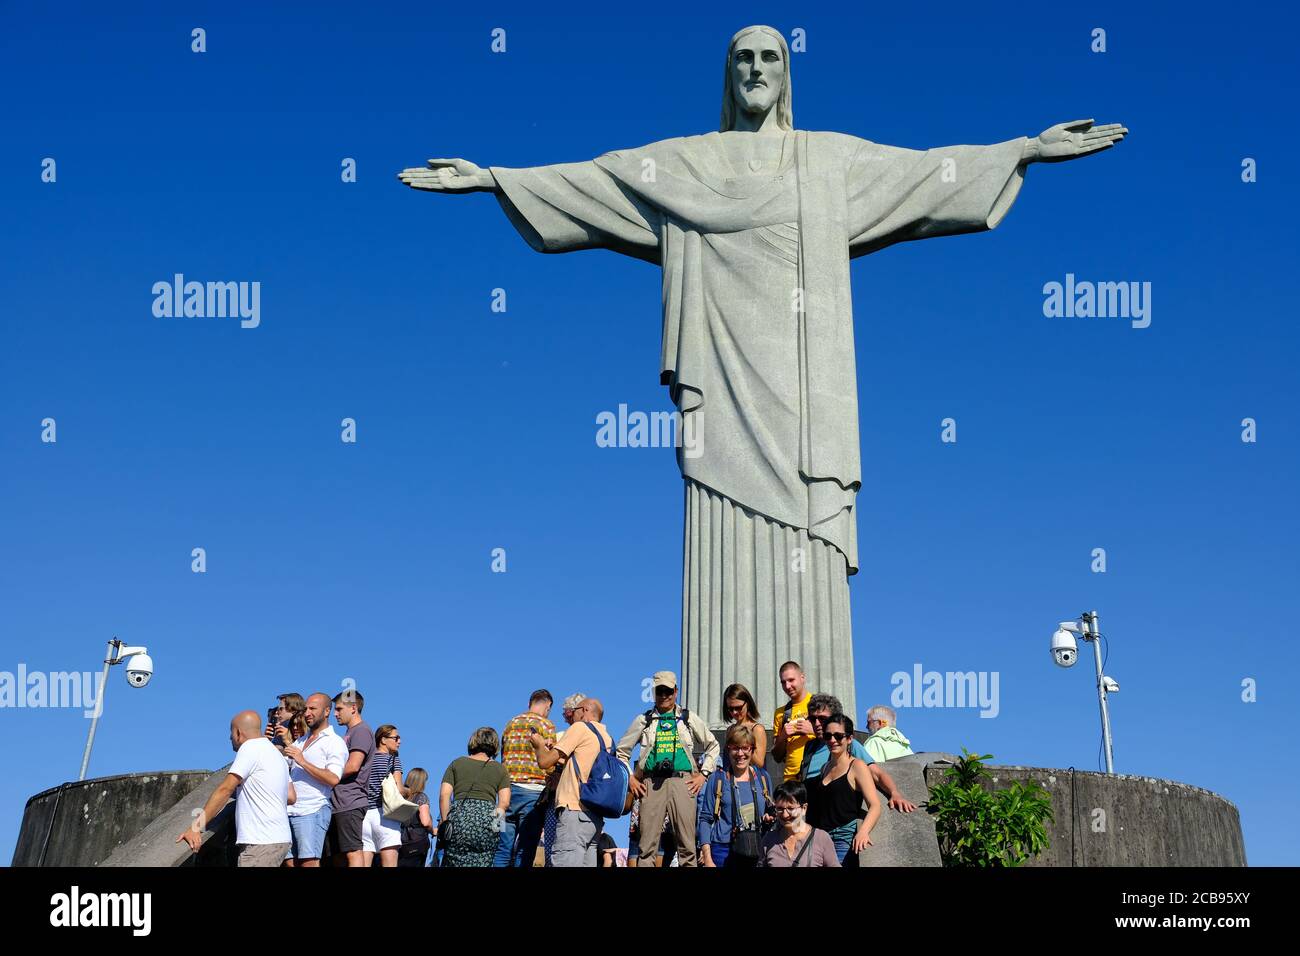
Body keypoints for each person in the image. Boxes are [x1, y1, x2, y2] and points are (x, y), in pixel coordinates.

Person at [616, 670, 719, 867]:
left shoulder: (688, 718)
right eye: (660, 691)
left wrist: (703, 774)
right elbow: (622, 751)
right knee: (646, 847)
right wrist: (630, 778)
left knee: (687, 846)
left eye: (668, 691)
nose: (664, 696)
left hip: (683, 782)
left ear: (676, 691)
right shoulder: (644, 720)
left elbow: (713, 745)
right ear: (654, 692)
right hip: (651, 783)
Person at [177, 710, 297, 866]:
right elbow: (291, 796)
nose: (230, 738)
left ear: (238, 733)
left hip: (261, 841)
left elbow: (225, 789)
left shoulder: (250, 748)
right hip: (280, 839)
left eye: (231, 733)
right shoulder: (275, 754)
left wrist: (195, 828)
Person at [532, 697, 615, 867]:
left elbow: (545, 762)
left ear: (584, 710)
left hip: (574, 812)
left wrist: (539, 744)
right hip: (594, 818)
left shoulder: (580, 728)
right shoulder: (607, 738)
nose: (571, 715)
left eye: (574, 710)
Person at [801, 694, 917, 812]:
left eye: (822, 719)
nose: (816, 724)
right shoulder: (810, 746)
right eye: (812, 719)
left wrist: (894, 793)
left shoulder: (849, 744)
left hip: (835, 816)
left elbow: (876, 773)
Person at [281, 691, 347, 867]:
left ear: (326, 712)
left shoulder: (334, 742)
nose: (307, 713)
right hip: (289, 811)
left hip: (312, 810)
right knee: (289, 863)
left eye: (312, 709)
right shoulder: (301, 741)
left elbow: (333, 778)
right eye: (305, 709)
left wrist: (302, 761)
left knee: (309, 863)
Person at [806, 713, 880, 865]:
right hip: (821, 840)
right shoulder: (824, 768)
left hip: (843, 840)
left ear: (849, 738)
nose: (832, 740)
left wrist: (863, 832)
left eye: (838, 736)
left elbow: (875, 805)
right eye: (828, 736)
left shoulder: (857, 766)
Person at [495, 688, 557, 867]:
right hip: (533, 794)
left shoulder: (510, 723)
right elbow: (550, 763)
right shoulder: (547, 725)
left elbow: (503, 756)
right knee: (526, 849)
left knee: (501, 848)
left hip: (506, 794)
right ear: (548, 705)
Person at [698, 724, 772, 868]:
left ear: (752, 749)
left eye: (745, 748)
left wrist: (769, 818)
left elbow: (770, 811)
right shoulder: (717, 779)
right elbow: (705, 819)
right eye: (735, 748)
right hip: (723, 849)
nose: (740, 754)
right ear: (728, 749)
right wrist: (707, 858)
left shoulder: (763, 777)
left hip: (756, 847)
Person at [439, 727, 511, 867]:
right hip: (488, 818)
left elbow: (444, 796)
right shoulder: (500, 769)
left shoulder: (457, 763)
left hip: (459, 819)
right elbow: (504, 803)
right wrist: (496, 830)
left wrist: (445, 822)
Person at [327, 689, 375, 867]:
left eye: (339, 709)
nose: (335, 713)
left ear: (353, 708)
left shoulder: (361, 731)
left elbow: (353, 765)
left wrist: (327, 775)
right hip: (339, 803)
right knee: (339, 855)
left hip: (350, 802)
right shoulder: (349, 733)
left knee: (353, 852)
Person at [539, 691, 587, 865]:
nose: (566, 717)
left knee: (558, 848)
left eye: (568, 712)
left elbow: (546, 763)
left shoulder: (567, 736)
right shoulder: (594, 736)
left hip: (567, 797)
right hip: (572, 799)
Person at [759, 782, 839, 868]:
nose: (785, 814)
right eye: (780, 809)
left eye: (790, 808)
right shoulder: (769, 840)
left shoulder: (821, 838)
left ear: (804, 808)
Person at [362, 724, 405, 867]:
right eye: (396, 738)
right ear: (383, 740)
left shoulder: (366, 758)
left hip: (365, 816)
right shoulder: (393, 759)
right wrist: (408, 791)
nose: (399, 741)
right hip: (386, 816)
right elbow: (398, 790)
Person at [770, 661, 814, 782]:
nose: (787, 686)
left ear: (802, 678)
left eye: (791, 680)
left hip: (817, 775)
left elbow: (837, 739)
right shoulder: (780, 713)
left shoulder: (819, 704)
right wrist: (783, 737)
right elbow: (777, 756)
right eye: (783, 682)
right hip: (791, 780)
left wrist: (812, 730)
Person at [721, 683, 767, 771]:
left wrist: (743, 744)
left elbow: (760, 763)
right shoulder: (730, 730)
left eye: (738, 708)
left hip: (752, 779)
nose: (734, 712)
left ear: (747, 704)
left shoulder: (757, 729)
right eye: (731, 709)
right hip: (731, 778)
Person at [398, 767, 435, 867]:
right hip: (416, 845)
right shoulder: (421, 797)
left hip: (399, 843)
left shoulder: (399, 797)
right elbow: (425, 821)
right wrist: (433, 830)